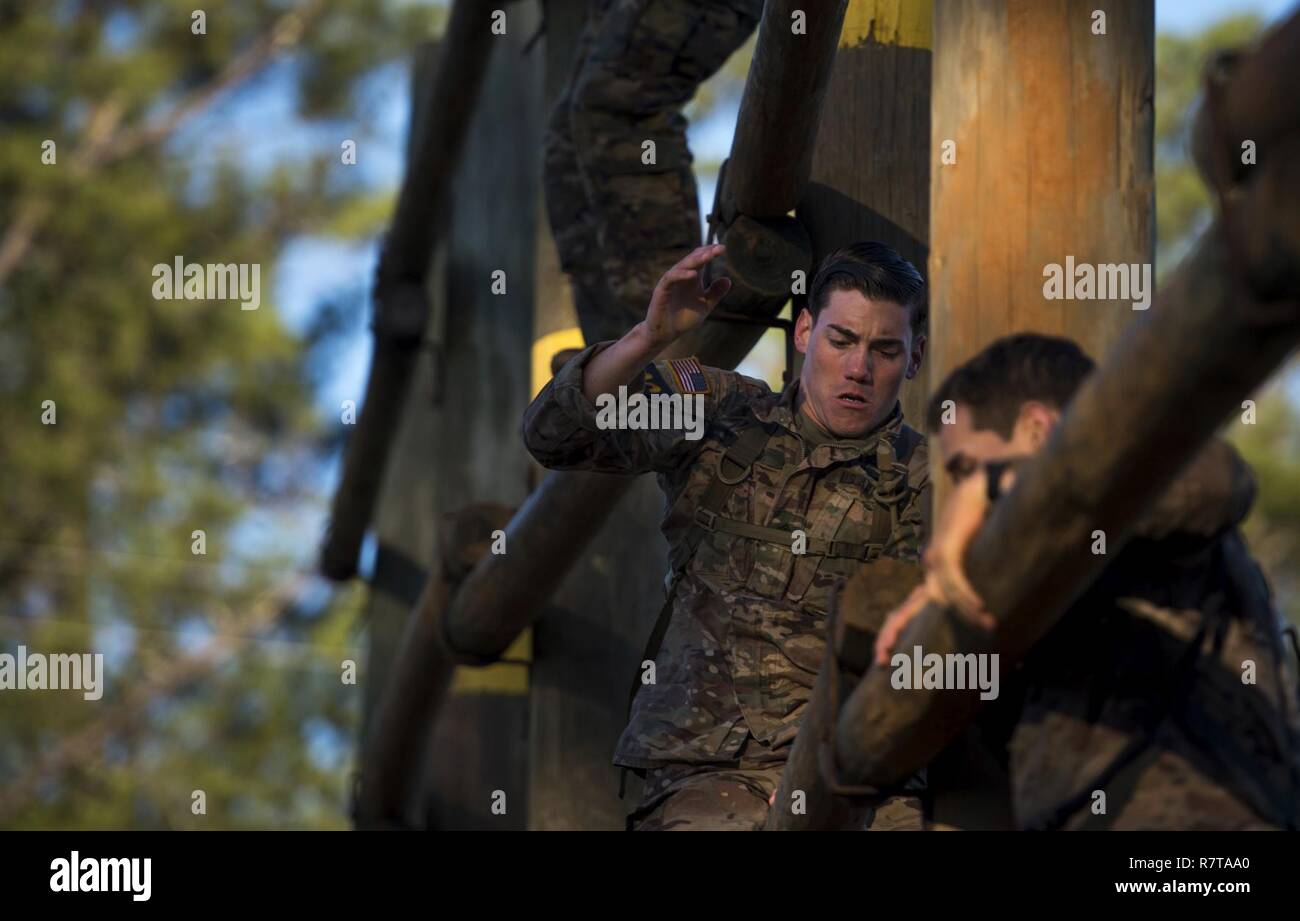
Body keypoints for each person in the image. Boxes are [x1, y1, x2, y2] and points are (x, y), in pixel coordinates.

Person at [523, 240, 930, 829]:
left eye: (884, 350)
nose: (858, 370)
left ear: (914, 358)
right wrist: (649, 338)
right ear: (805, 332)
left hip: (868, 777)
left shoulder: (933, 480)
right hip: (708, 771)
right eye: (841, 341)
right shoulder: (722, 415)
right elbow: (553, 435)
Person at [875, 333, 1300, 829]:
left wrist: (996, 486)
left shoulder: (1155, 489)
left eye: (966, 468)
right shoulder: (1048, 568)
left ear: (1037, 429)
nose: (961, 499)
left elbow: (1220, 478)